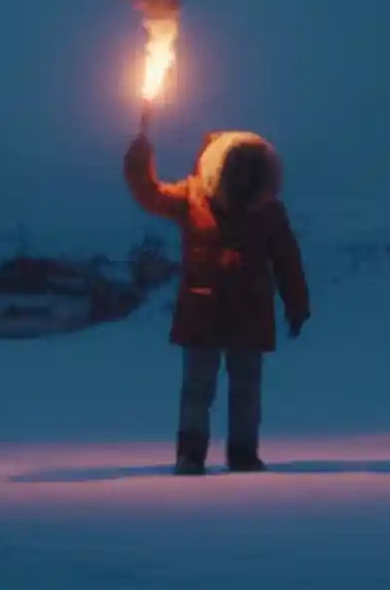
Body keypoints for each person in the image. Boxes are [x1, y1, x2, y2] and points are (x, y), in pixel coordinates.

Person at [123, 122, 310, 476]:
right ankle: (190, 455)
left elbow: (287, 259)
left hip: (244, 310)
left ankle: (243, 455)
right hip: (205, 310)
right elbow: (149, 193)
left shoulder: (267, 209)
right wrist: (139, 157)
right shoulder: (192, 197)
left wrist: (297, 303)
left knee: (244, 390)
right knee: (199, 389)